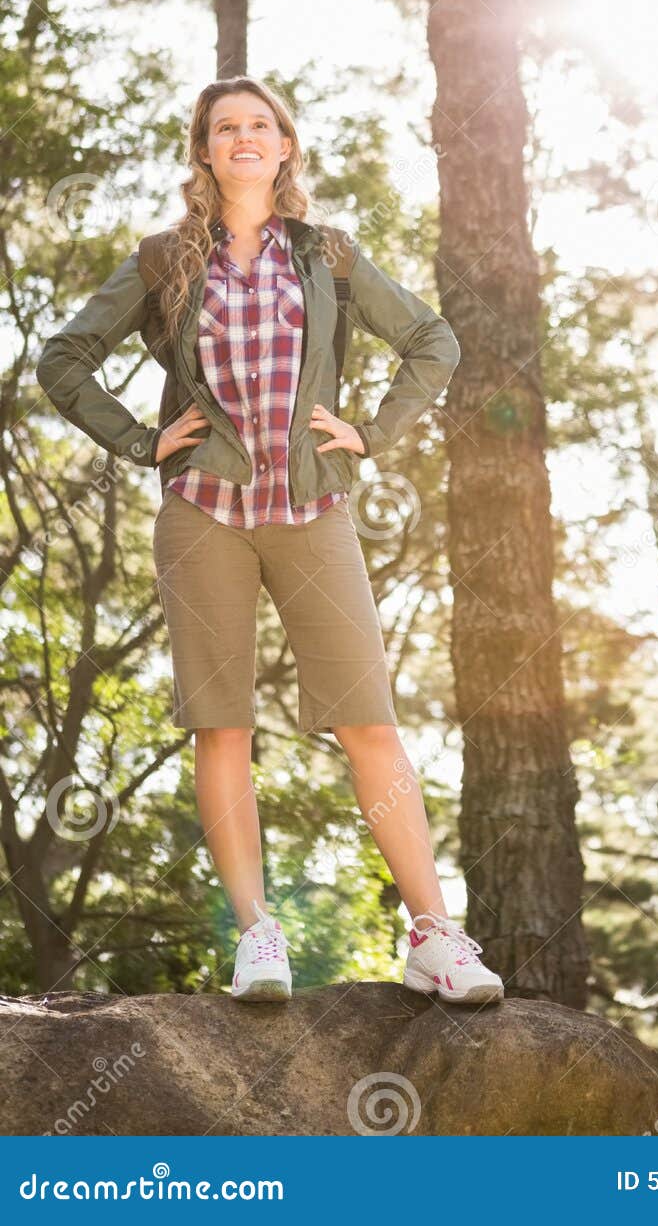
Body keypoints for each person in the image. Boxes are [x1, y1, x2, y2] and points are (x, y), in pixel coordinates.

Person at [35, 75, 504, 1008]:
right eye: (225, 128)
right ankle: (258, 936)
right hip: (203, 513)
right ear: (203, 151)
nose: (243, 139)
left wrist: (373, 430)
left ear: (284, 147)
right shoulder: (167, 258)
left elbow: (432, 339)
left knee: (369, 720)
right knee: (223, 728)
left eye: (260, 126)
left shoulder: (324, 253)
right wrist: (139, 440)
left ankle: (435, 938)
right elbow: (64, 357)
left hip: (312, 514)